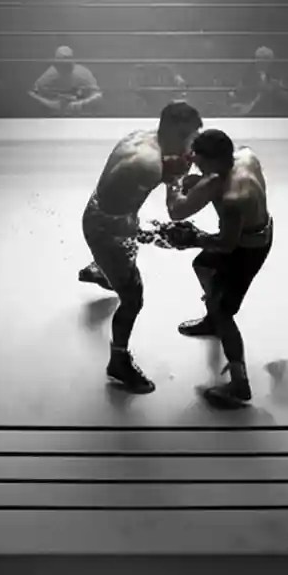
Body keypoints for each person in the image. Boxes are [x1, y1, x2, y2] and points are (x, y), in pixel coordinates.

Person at [77, 101, 205, 393]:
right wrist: (177, 180)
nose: (192, 145)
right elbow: (174, 209)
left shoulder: (140, 137)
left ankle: (102, 271)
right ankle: (118, 362)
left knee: (123, 261)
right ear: (177, 132)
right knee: (133, 298)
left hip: (100, 212)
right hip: (108, 230)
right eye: (190, 138)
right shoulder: (149, 165)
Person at [165, 129, 272, 406]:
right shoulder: (245, 155)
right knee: (202, 264)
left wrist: (192, 236)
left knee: (224, 311)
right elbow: (224, 174)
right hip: (255, 230)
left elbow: (225, 243)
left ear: (211, 161)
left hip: (247, 249)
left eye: (199, 161)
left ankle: (239, 383)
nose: (196, 165)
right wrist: (203, 180)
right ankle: (212, 318)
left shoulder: (233, 198)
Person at [29, 46, 103, 116]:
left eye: (67, 61)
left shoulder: (84, 74)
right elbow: (32, 94)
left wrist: (80, 104)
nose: (64, 64)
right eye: (61, 62)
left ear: (72, 62)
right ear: (56, 63)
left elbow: (98, 95)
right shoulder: (49, 75)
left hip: (80, 117)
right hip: (54, 118)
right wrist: (52, 104)